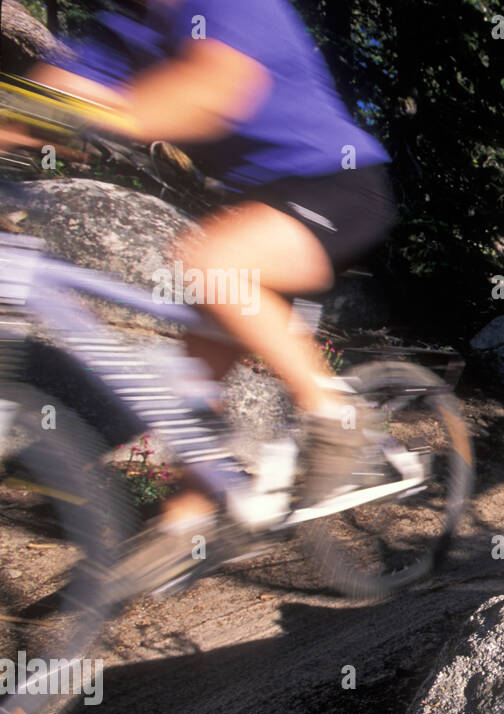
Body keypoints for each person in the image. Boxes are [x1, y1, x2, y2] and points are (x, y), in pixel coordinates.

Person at [23, 0, 398, 593]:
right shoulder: (122, 28)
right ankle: (188, 525)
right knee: (192, 382)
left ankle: (336, 415)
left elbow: (215, 89)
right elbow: (47, 92)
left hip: (336, 185)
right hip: (251, 203)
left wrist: (104, 112)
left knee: (212, 263)